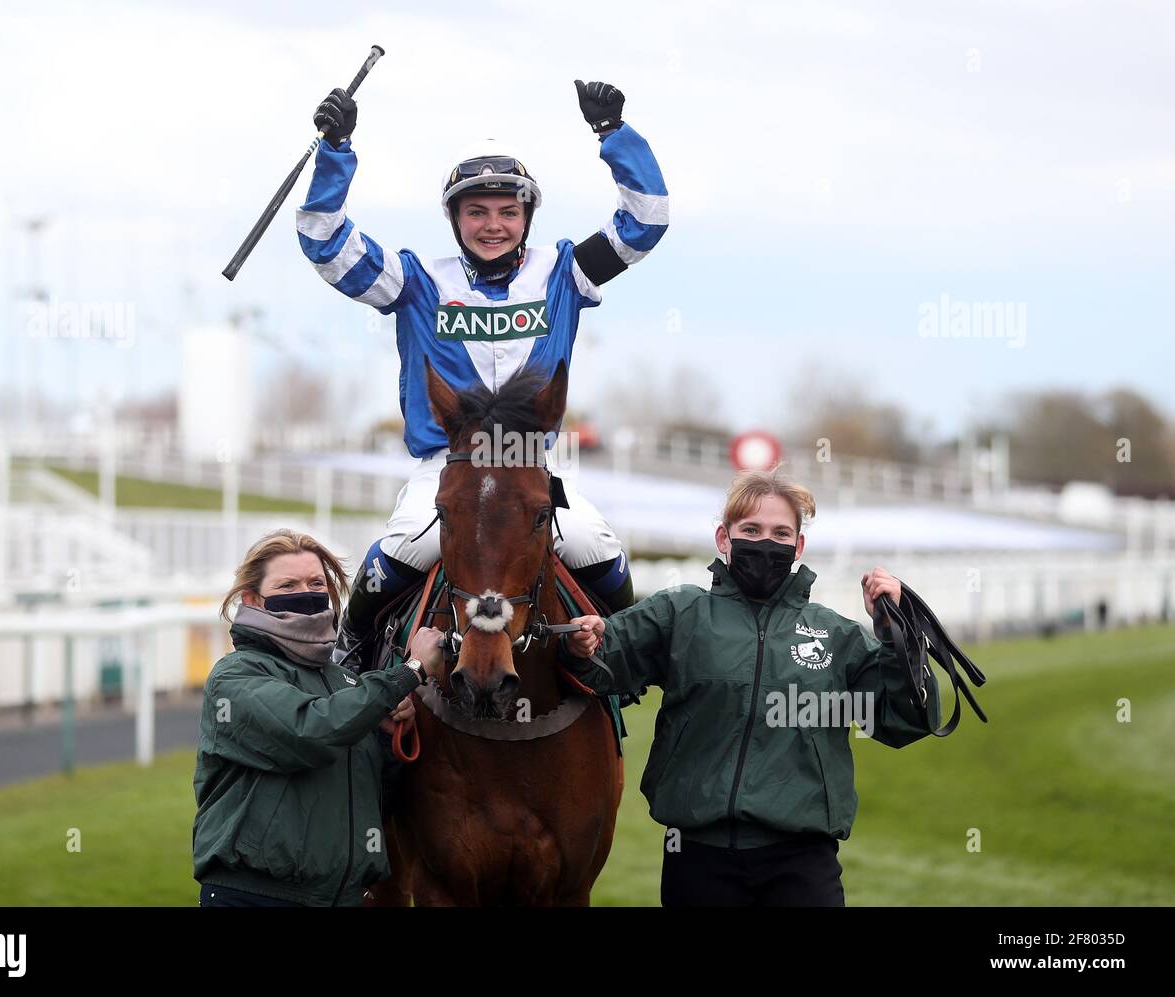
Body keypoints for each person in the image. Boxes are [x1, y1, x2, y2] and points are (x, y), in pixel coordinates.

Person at [297, 79, 669, 666]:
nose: (492, 225)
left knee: (596, 543)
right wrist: (335, 151)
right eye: (477, 212)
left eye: (506, 211)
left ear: (525, 217)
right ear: (455, 219)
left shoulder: (566, 272)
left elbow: (646, 221)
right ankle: (350, 654)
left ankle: (627, 659)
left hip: (528, 464)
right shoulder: (413, 279)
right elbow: (325, 244)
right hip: (446, 467)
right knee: (401, 546)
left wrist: (614, 135)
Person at [561, 470, 943, 907]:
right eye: (751, 530)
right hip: (696, 856)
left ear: (798, 546)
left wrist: (899, 637)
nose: (766, 542)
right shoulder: (679, 612)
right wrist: (583, 643)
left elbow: (907, 718)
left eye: (781, 532)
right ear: (724, 538)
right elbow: (603, 660)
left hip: (802, 860)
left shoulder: (837, 635)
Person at [192, 528, 445, 907]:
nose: (305, 593)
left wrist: (388, 736)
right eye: (287, 585)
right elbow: (310, 730)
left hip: (343, 898)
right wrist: (408, 672)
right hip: (254, 897)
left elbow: (373, 799)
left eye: (315, 582)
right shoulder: (235, 676)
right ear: (252, 600)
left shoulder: (346, 683)